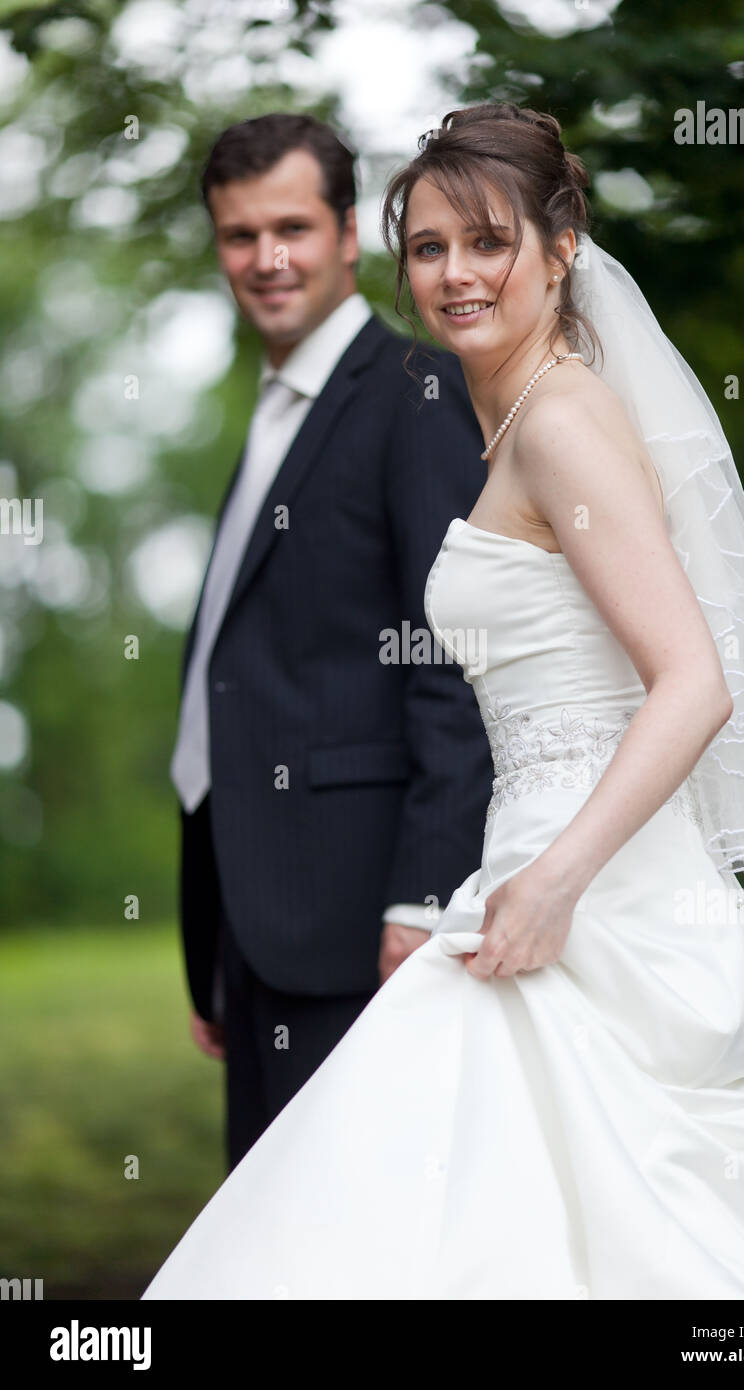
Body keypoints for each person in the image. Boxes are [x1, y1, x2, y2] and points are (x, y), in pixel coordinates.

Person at [143, 103, 744, 1299]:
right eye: (427, 247)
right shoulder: (514, 421)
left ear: (560, 243)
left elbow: (693, 681)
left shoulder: (565, 423)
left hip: (582, 898)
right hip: (528, 865)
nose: (454, 275)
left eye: (486, 242)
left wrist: (554, 881)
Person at [169, 112, 492, 1172]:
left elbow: (453, 662)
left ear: (347, 233)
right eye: (238, 234)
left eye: (293, 228)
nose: (267, 259)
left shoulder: (415, 393)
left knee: (352, 1246)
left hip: (363, 923)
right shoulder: (271, 411)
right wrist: (213, 942)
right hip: (253, 926)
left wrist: (420, 897)